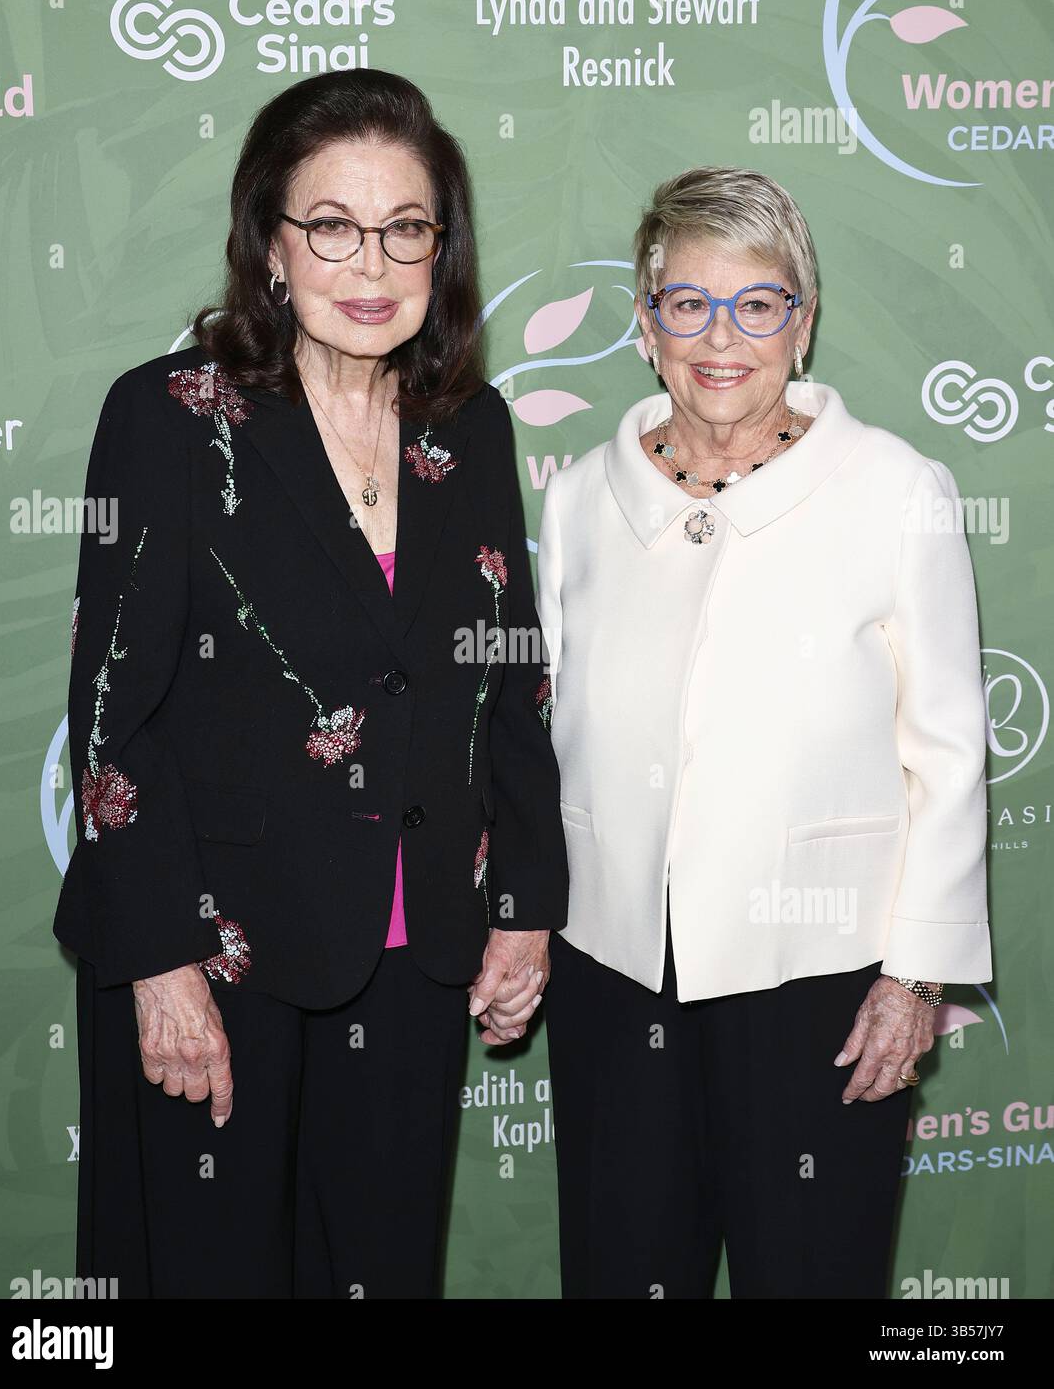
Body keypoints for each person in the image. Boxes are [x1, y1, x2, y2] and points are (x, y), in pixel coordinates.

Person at [53, 68, 567, 1299]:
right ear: (270, 245)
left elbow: (510, 678)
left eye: (407, 227)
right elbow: (113, 711)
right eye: (331, 224)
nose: (371, 261)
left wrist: (527, 902)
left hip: (414, 941)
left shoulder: (471, 427)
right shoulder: (172, 417)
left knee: (381, 1272)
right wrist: (160, 963)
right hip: (220, 947)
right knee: (209, 1271)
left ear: (442, 249)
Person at [536, 165, 991, 1299]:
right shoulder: (580, 497)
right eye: (688, 302)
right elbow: (545, 730)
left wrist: (917, 975)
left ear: (805, 319)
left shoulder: (896, 489)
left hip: (823, 983)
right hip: (615, 968)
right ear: (646, 324)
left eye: (760, 301)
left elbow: (945, 749)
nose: (721, 335)